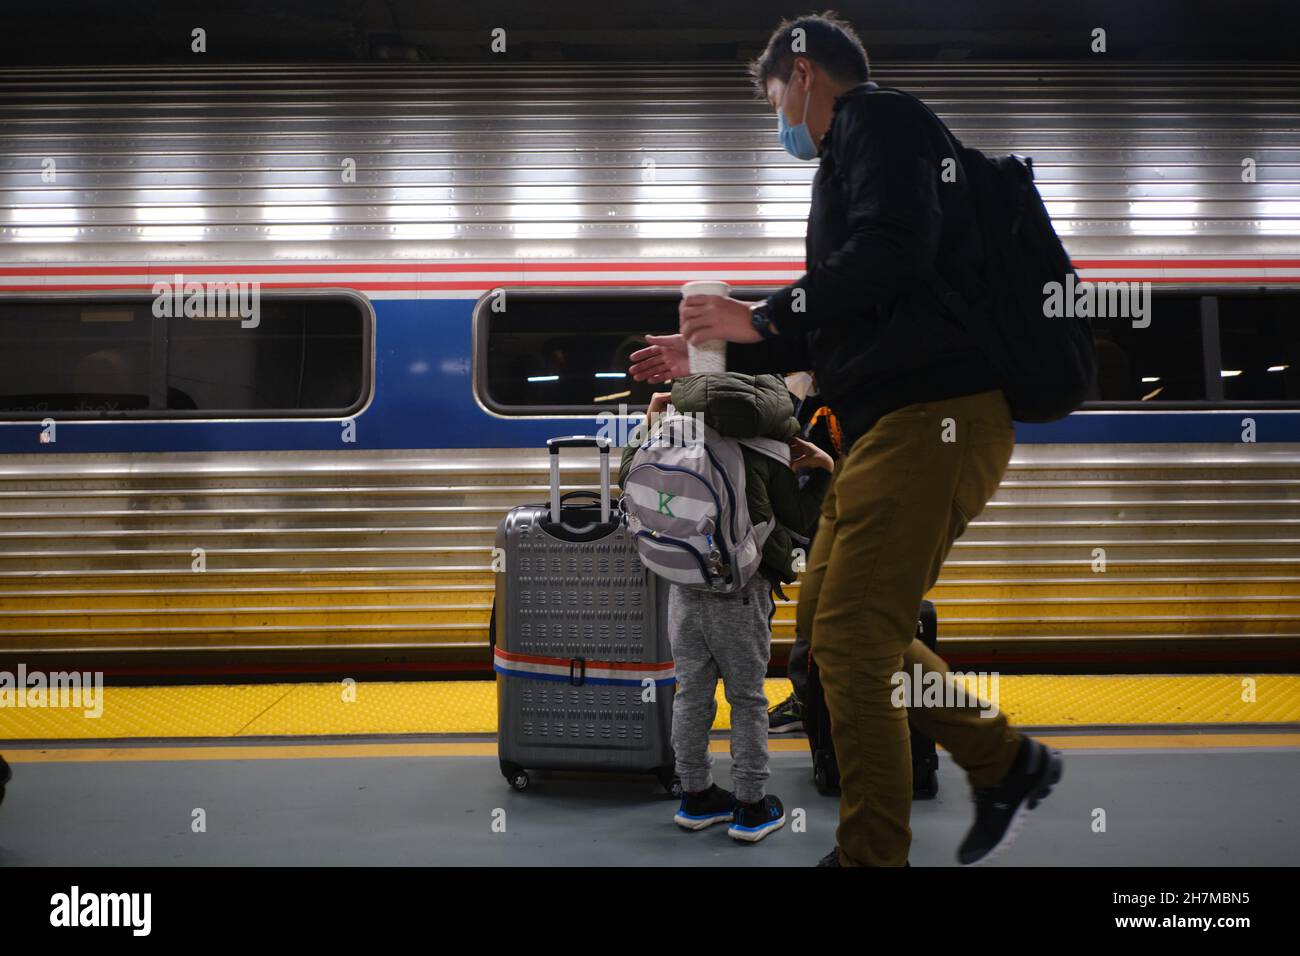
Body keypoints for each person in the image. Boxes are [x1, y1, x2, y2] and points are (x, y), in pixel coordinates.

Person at [629, 12, 1062, 867]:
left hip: (934, 417)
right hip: (895, 425)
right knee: (827, 632)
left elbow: (893, 252)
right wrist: (715, 349)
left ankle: (872, 855)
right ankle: (1004, 760)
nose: (780, 119)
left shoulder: (881, 119)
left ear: (802, 72)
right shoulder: (854, 160)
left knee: (856, 635)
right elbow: (846, 316)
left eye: (775, 101)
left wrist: (758, 315)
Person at [620, 374, 832, 843]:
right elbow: (800, 519)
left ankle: (695, 797)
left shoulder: (669, 435)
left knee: (692, 696)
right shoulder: (766, 450)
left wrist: (649, 419)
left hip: (684, 587)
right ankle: (752, 807)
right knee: (748, 700)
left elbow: (626, 481)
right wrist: (823, 470)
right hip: (741, 591)